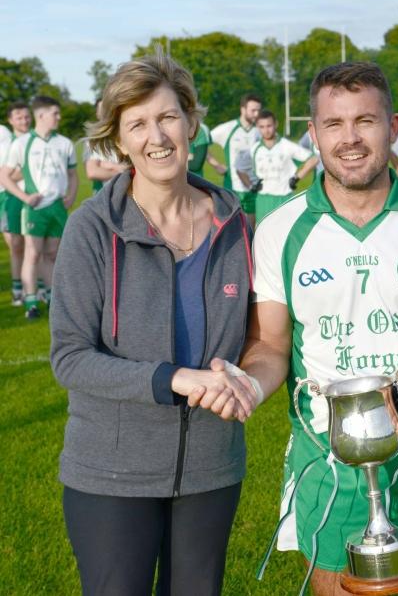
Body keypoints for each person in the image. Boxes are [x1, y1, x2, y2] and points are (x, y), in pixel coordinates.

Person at [241, 61, 398, 595]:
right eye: (333, 124)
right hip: (328, 458)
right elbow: (268, 345)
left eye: (365, 121)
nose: (349, 139)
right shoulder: (279, 231)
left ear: (394, 126)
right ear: (313, 133)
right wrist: (246, 384)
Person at [49, 50, 258, 595]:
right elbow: (70, 357)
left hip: (212, 470)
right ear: (119, 140)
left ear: (191, 121)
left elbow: (266, 336)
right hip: (111, 474)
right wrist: (174, 379)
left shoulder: (237, 227)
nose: (156, 136)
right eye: (136, 124)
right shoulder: (90, 229)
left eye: (166, 117)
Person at [0, 96, 77, 319]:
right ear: (41, 115)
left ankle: (53, 298)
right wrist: (24, 196)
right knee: (32, 254)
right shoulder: (22, 144)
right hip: (34, 209)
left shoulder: (65, 143)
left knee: (53, 254)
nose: (59, 117)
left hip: (57, 208)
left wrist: (71, 196)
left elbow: (73, 175)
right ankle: (31, 302)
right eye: (55, 113)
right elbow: (4, 176)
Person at [242, 109, 318, 222]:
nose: (266, 130)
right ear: (257, 127)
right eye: (262, 127)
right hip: (263, 199)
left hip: (284, 197)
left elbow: (314, 159)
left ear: (275, 124)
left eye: (269, 126)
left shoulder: (286, 145)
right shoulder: (255, 149)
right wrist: (251, 185)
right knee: (263, 234)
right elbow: (242, 169)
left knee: (285, 235)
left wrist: (296, 178)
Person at [209, 93, 262, 223]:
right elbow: (201, 143)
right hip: (232, 188)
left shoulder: (259, 131)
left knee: (251, 230)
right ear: (243, 109)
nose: (256, 114)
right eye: (253, 110)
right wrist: (216, 164)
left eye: (258, 110)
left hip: (253, 188)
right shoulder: (228, 129)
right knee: (232, 229)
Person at [0, 101, 31, 306]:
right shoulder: (5, 139)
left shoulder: (35, 139)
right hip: (8, 197)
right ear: (11, 120)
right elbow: (4, 175)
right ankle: (17, 289)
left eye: (27, 116)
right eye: (19, 117)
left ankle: (36, 288)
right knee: (16, 245)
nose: (24, 121)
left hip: (33, 196)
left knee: (35, 244)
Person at [84, 100, 127, 194]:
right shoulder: (93, 139)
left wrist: (107, 165)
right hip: (104, 195)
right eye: (102, 109)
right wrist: (123, 171)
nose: (106, 112)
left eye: (108, 108)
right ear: (97, 114)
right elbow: (93, 172)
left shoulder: (126, 133)